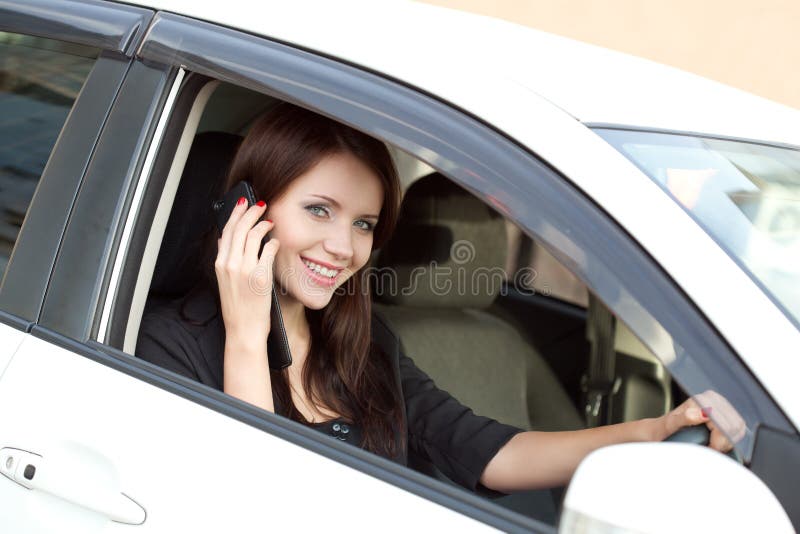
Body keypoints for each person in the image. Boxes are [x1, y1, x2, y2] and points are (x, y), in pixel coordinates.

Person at [136, 102, 732, 494]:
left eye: (364, 224)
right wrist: (246, 336)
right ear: (246, 212)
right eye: (319, 210)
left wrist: (653, 433)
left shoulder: (363, 343)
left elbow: (486, 451)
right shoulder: (166, 344)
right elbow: (251, 504)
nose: (343, 247)